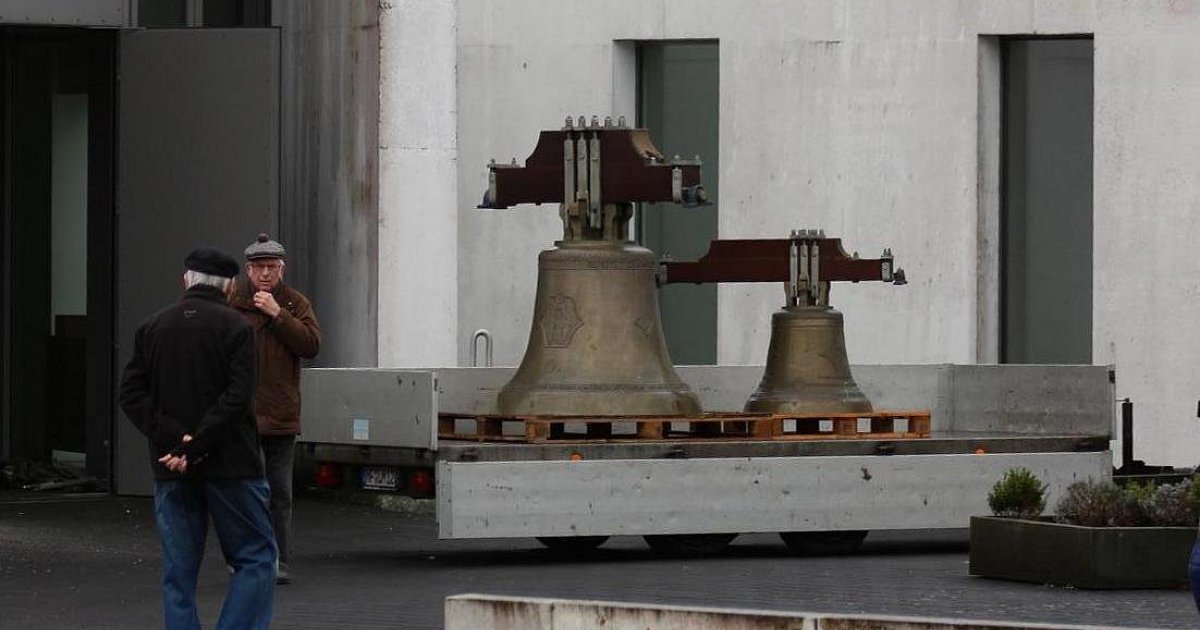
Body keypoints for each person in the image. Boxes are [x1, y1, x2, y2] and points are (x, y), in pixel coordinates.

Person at [119, 247, 276, 630]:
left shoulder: (152, 327)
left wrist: (177, 441)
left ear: (185, 280)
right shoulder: (237, 328)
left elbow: (132, 395)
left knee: (178, 571)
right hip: (233, 466)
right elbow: (238, 399)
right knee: (255, 557)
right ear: (230, 287)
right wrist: (197, 443)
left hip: (171, 467)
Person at [230, 233, 321, 585]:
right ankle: (244, 557)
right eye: (258, 268)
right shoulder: (233, 302)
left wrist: (277, 315)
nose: (265, 274)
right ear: (248, 270)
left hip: (281, 415)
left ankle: (279, 559)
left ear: (282, 269)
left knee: (279, 493)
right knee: (241, 490)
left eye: (271, 267)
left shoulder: (295, 304)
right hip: (241, 415)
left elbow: (311, 345)